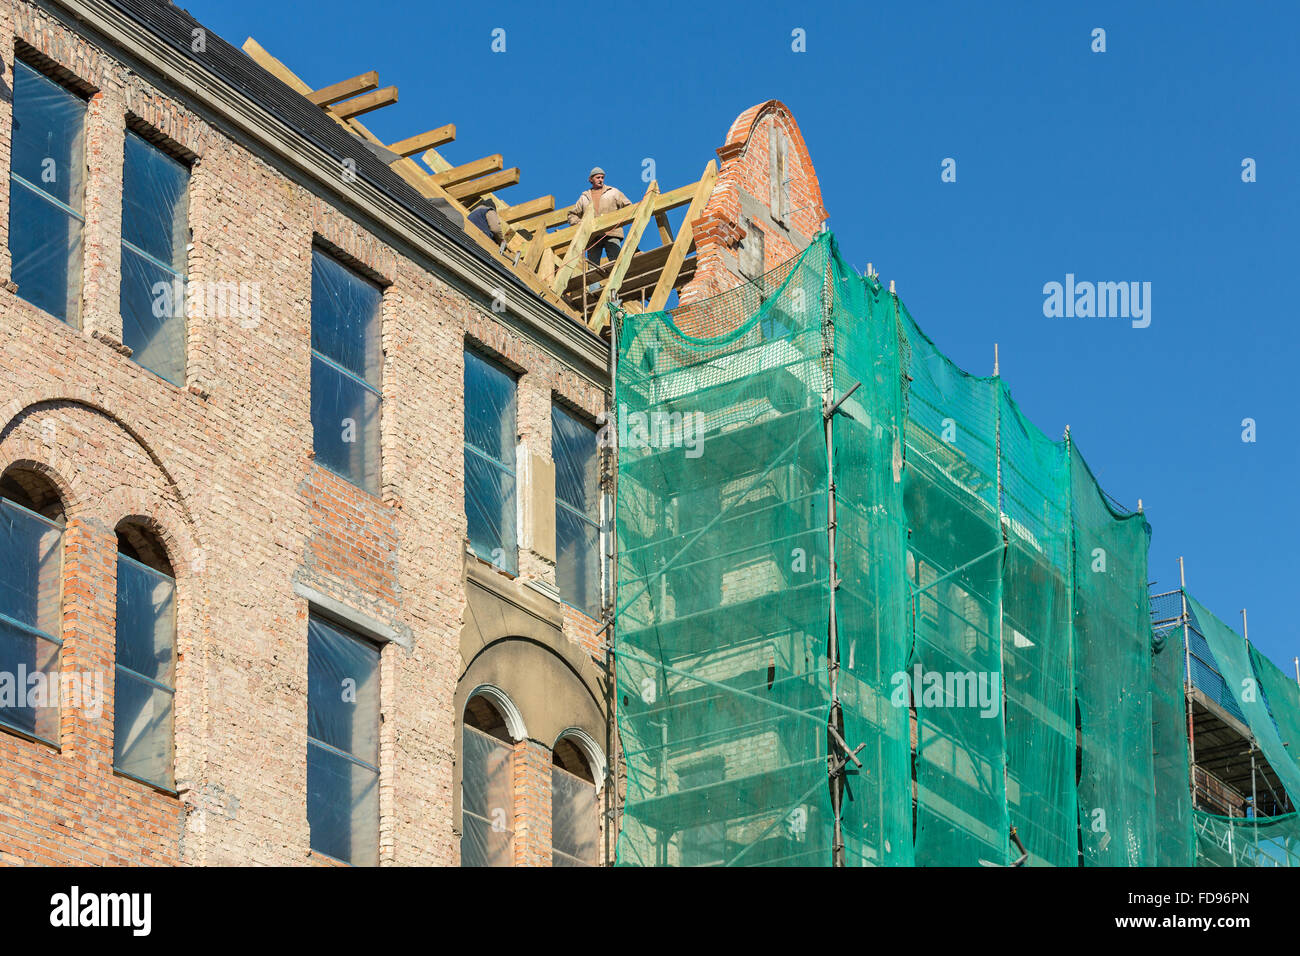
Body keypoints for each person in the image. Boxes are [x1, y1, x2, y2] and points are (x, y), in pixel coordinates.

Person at [567, 167, 631, 264]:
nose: (600, 180)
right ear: (591, 179)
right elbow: (572, 214)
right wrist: (580, 223)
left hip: (612, 231)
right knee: (593, 266)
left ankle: (619, 278)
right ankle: (594, 279)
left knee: (616, 262)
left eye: (602, 177)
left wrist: (619, 219)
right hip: (593, 236)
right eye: (598, 177)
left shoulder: (613, 192)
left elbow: (629, 206)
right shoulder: (584, 197)